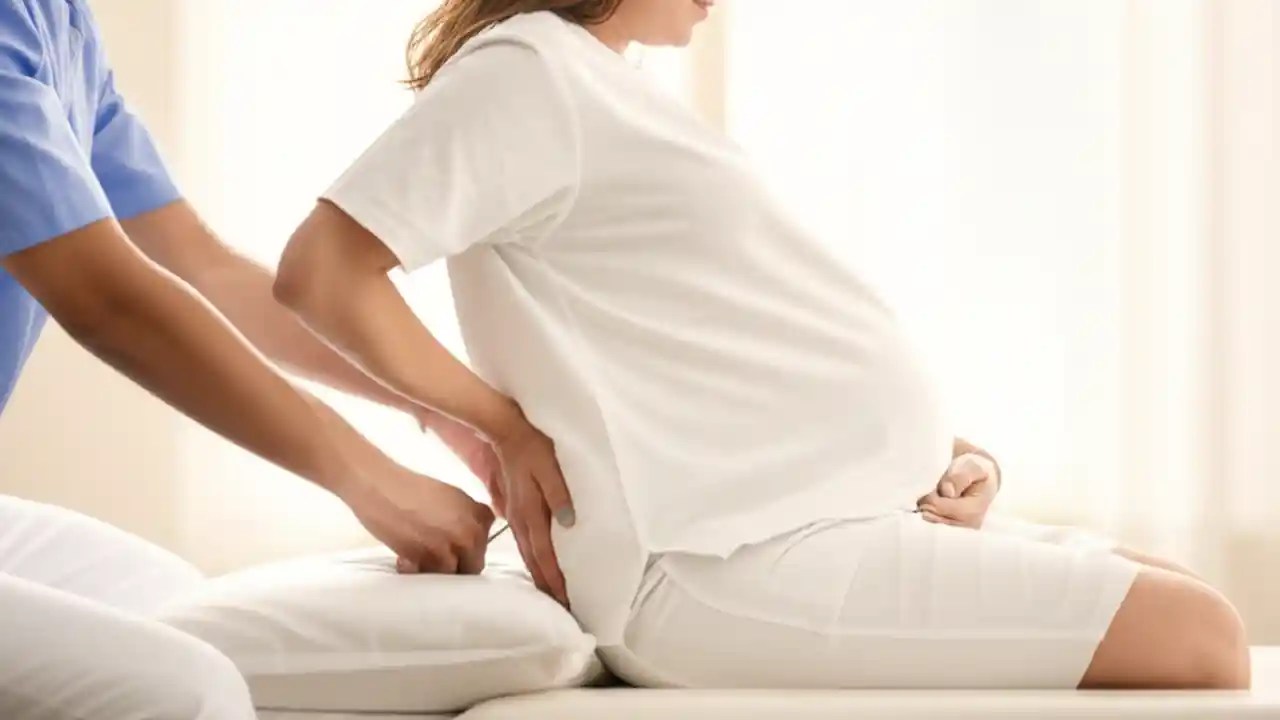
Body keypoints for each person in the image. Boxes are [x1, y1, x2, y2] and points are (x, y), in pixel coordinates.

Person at [276, 0, 1255, 692]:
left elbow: (713, 349)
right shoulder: (526, 72)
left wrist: (945, 454)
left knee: (1194, 602)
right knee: (1203, 637)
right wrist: (499, 427)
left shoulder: (604, 85)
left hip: (825, 520)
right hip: (718, 565)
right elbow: (322, 273)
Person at [0, 1, 499, 717]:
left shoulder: (57, 25)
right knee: (186, 692)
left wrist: (440, 405)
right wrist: (366, 478)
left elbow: (205, 270)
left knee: (194, 612)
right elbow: (106, 300)